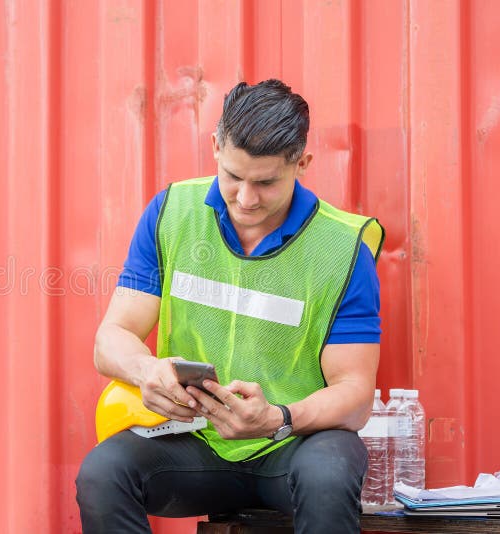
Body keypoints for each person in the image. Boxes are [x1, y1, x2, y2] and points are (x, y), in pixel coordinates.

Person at [76, 79, 384, 534]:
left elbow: (355, 394)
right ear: (216, 147)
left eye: (266, 182)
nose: (245, 199)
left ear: (302, 164)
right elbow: (111, 338)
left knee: (330, 474)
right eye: (233, 177)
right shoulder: (171, 212)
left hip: (292, 442)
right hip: (193, 441)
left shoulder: (343, 248)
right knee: (103, 474)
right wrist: (148, 372)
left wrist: (278, 418)